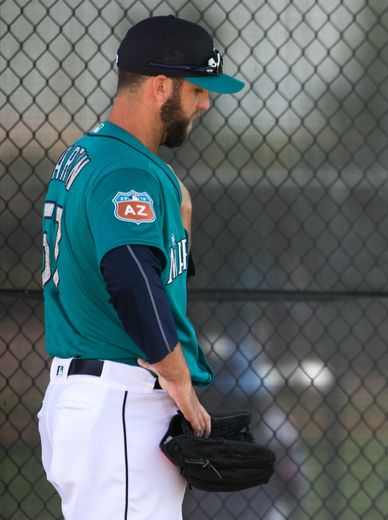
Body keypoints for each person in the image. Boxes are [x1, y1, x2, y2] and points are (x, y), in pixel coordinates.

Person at [37, 15, 244, 519]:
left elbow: (148, 272)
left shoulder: (87, 154)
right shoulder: (126, 170)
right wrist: (178, 380)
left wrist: (180, 220)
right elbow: (130, 278)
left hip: (93, 398)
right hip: (120, 405)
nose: (205, 103)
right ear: (161, 87)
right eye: (197, 89)